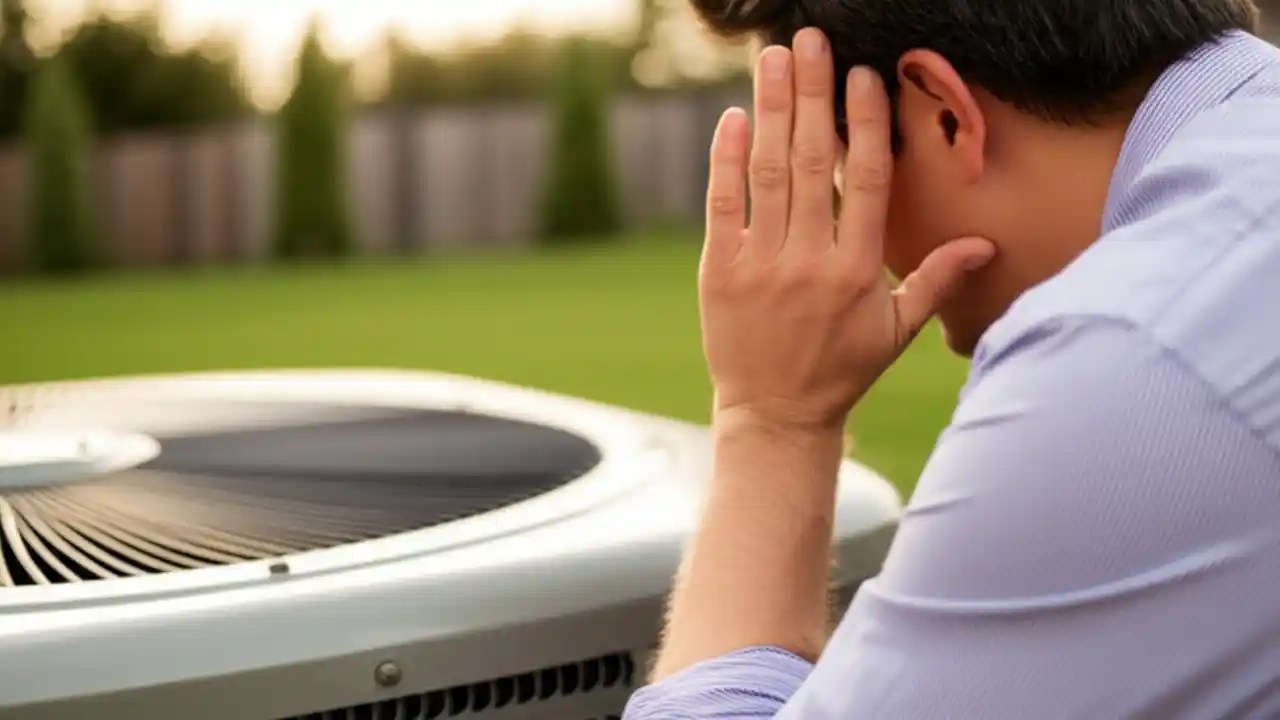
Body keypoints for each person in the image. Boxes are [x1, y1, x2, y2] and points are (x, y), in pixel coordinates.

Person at [623, 0, 1280, 717]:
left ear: (943, 114)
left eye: (842, 186)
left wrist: (773, 421)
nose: (856, 248)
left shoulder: (1130, 356)